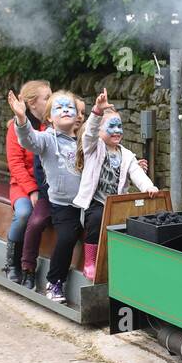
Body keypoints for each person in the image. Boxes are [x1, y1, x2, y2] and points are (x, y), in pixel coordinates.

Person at [7, 88, 85, 302]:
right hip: (60, 202)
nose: (66, 110)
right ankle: (44, 276)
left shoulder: (82, 139)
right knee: (64, 235)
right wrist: (22, 119)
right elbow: (29, 140)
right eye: (59, 107)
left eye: (70, 107)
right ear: (49, 117)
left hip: (86, 203)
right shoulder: (47, 139)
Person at [72, 88, 155, 281]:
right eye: (112, 127)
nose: (117, 131)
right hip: (97, 201)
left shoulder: (126, 154)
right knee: (95, 221)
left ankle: (125, 261)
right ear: (100, 131)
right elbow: (89, 134)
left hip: (116, 203)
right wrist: (97, 113)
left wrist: (148, 187)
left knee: (128, 223)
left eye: (120, 126)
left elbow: (136, 173)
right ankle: (90, 260)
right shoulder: (94, 147)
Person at [2, 79, 52, 283]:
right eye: (47, 97)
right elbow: (15, 165)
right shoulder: (16, 127)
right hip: (23, 185)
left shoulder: (52, 123)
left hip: (48, 186)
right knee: (23, 213)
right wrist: (32, 190)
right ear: (32, 103)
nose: (52, 100)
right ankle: (12, 263)